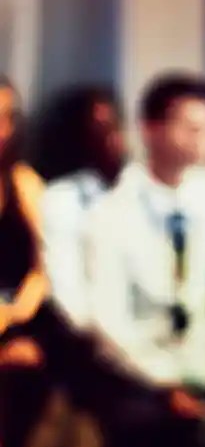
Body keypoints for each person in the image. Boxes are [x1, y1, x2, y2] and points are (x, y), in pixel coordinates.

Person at [82, 73, 205, 447]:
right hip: (143, 375)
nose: (202, 138)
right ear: (151, 128)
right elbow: (109, 322)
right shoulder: (110, 215)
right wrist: (166, 383)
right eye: (189, 127)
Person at [38, 85, 128, 324]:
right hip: (91, 335)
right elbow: (67, 291)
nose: (112, 140)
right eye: (99, 130)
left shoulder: (134, 189)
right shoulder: (62, 198)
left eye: (115, 126)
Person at [0, 76, 52, 447]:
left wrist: (17, 310)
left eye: (7, 118)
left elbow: (45, 266)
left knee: (30, 361)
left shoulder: (24, 182)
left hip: (17, 312)